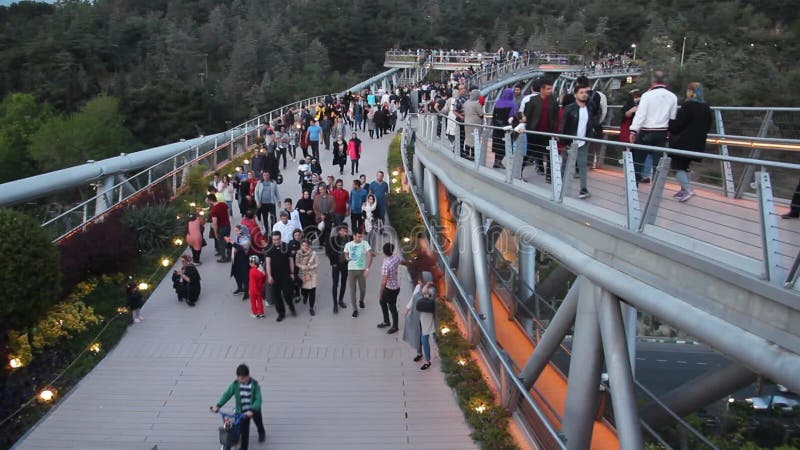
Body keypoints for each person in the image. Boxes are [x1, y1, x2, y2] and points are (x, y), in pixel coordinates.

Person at [629, 70, 678, 184]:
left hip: (646, 131)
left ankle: (633, 188)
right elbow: (673, 117)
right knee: (658, 164)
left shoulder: (647, 96)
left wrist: (633, 131)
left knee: (638, 162)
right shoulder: (673, 97)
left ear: (653, 81)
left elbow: (641, 115)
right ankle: (656, 190)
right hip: (662, 133)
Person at [668, 82, 712, 202]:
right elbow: (708, 125)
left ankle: (687, 190)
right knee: (685, 166)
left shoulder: (688, 106)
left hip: (682, 142)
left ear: (691, 92)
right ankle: (683, 190)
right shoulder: (706, 107)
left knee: (677, 166)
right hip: (697, 142)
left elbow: (678, 125)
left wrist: (670, 124)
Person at [211, 363, 265, 449]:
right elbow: (227, 394)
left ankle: (261, 432)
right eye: (239, 378)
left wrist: (252, 410)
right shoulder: (235, 385)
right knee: (244, 433)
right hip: (242, 412)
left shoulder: (255, 385)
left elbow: (258, 399)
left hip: (253, 410)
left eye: (243, 378)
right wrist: (218, 405)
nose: (241, 380)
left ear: (247, 376)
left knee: (258, 422)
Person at [560, 84, 593, 199]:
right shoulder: (569, 108)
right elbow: (563, 125)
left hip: (583, 141)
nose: (584, 94)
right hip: (570, 141)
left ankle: (583, 189)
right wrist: (564, 141)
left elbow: (590, 124)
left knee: (582, 165)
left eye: (586, 92)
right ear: (575, 95)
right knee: (566, 165)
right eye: (581, 92)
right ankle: (560, 187)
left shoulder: (589, 108)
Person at [524, 79, 559, 182]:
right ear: (542, 89)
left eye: (551, 89)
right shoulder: (534, 100)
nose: (550, 91)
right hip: (534, 131)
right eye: (548, 89)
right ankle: (518, 172)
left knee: (549, 155)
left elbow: (555, 116)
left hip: (547, 132)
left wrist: (555, 131)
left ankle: (549, 176)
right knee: (528, 152)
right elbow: (528, 114)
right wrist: (528, 128)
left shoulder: (553, 101)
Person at [402, 272, 436, 370]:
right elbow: (413, 298)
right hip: (417, 315)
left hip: (426, 318)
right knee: (417, 334)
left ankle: (428, 360)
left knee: (424, 338)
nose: (418, 282)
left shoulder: (432, 290)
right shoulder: (418, 287)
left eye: (420, 280)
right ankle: (419, 353)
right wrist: (407, 308)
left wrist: (427, 286)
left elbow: (428, 297)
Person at [265, 231, 296, 322]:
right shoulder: (269, 248)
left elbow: (291, 261)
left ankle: (291, 306)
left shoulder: (286, 246)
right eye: (274, 240)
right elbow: (268, 263)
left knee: (287, 294)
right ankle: (281, 313)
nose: (276, 241)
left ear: (280, 238)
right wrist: (269, 276)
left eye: (278, 239)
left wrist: (292, 273)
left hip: (286, 275)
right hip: (275, 276)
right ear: (272, 239)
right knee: (277, 296)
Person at [344, 229, 374, 318]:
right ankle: (355, 309)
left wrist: (367, 268)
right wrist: (346, 258)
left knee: (363, 289)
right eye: (358, 236)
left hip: (361, 270)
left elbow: (370, 255)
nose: (360, 238)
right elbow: (345, 253)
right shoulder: (348, 245)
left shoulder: (364, 244)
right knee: (352, 290)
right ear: (354, 236)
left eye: (361, 236)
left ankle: (361, 300)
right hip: (351, 270)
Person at [377, 243, 406, 334]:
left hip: (390, 289)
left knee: (392, 306)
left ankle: (395, 326)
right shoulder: (395, 258)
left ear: (384, 252)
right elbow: (402, 262)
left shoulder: (386, 264)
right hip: (395, 286)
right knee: (382, 302)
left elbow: (384, 281)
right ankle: (386, 321)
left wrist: (380, 292)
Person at [325, 224, 351, 313]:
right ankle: (335, 304)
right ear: (339, 231)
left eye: (345, 231)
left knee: (343, 283)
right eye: (342, 230)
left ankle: (340, 300)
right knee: (335, 284)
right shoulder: (333, 239)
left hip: (345, 264)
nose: (344, 232)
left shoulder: (350, 239)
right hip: (336, 264)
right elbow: (328, 251)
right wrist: (333, 262)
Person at [491, 87, 515, 168]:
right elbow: (512, 116)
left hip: (497, 128)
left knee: (497, 144)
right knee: (505, 144)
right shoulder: (512, 104)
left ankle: (496, 161)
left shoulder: (498, 102)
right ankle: (499, 161)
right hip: (506, 128)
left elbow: (494, 115)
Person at [226, 225, 251, 300]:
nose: (235, 232)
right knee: (236, 273)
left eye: (237, 230)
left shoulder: (246, 239)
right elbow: (234, 247)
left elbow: (242, 248)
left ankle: (246, 292)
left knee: (244, 276)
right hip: (237, 259)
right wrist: (229, 243)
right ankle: (240, 288)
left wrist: (232, 242)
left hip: (243, 260)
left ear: (241, 231)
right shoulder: (238, 237)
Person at [295, 239, 319, 316]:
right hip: (303, 273)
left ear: (309, 246)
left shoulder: (313, 253)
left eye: (306, 245)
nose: (305, 247)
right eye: (303, 245)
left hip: (312, 274)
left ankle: (311, 307)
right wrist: (303, 266)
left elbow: (317, 263)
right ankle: (305, 296)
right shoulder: (298, 253)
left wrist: (310, 267)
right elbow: (297, 263)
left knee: (312, 290)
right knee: (304, 290)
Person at [207, 194, 231, 262]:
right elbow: (228, 212)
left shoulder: (214, 210)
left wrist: (215, 233)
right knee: (228, 241)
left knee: (221, 244)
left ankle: (223, 258)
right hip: (228, 226)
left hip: (221, 228)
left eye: (208, 200)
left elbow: (214, 223)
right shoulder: (223, 204)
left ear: (210, 200)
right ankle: (229, 256)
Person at [462, 88, 483, 161]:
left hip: (466, 122)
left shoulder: (466, 102)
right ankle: (473, 155)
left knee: (468, 138)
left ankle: (467, 153)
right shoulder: (477, 103)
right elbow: (481, 114)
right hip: (475, 123)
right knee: (475, 139)